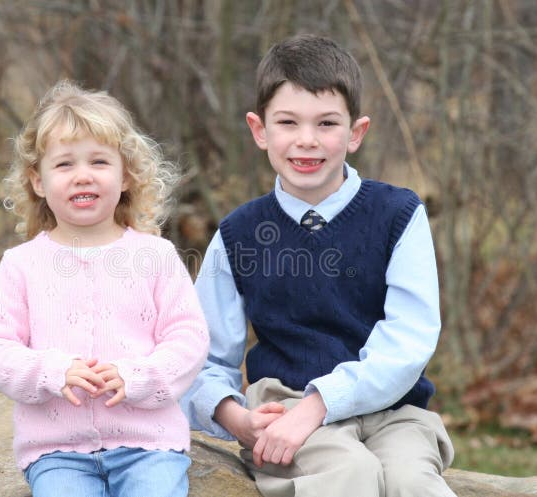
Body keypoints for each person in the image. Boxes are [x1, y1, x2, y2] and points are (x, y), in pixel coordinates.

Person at [181, 34, 456, 497]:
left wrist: (323, 402)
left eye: (327, 123)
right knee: (350, 475)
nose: (306, 140)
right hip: (287, 410)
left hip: (394, 411)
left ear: (355, 133)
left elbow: (408, 340)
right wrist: (236, 418)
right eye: (287, 122)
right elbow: (202, 356)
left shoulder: (398, 215)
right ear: (259, 130)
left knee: (412, 482)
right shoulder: (238, 234)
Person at [0, 80, 209, 497]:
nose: (83, 176)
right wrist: (52, 372)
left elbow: (188, 339)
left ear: (126, 175)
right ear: (38, 181)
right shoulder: (21, 265)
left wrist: (137, 376)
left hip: (148, 446)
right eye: (64, 165)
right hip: (56, 452)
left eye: (99, 161)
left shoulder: (155, 256)